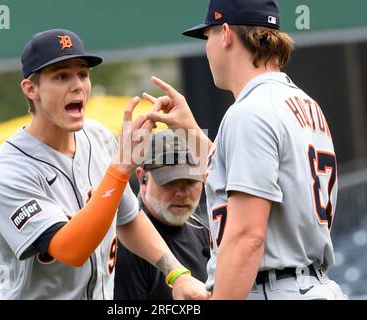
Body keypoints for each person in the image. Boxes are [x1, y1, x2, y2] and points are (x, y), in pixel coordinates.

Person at [0, 28, 209, 300]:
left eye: (83, 74)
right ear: (31, 89)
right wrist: (119, 170)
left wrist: (175, 274)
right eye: (62, 76)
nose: (77, 85)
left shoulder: (98, 137)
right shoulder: (4, 172)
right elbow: (71, 251)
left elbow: (129, 219)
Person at [143, 0, 347, 300]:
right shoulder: (304, 103)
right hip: (312, 285)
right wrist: (189, 130)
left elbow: (247, 238)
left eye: (208, 36)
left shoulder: (250, 112)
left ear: (225, 33)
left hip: (273, 288)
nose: (207, 47)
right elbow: (243, 176)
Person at [114, 130, 210, 299]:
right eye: (170, 182)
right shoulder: (126, 244)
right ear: (143, 178)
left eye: (190, 181)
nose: (181, 193)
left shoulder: (204, 231)